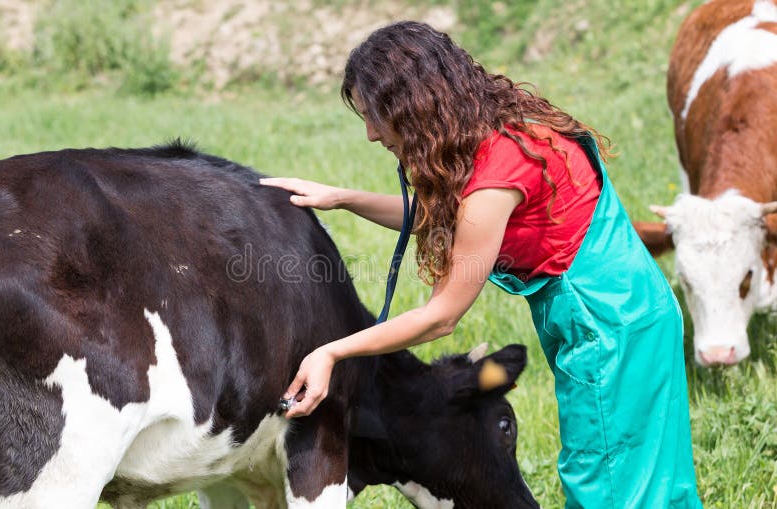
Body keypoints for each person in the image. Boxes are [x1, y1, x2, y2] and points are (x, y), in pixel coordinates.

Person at [260, 21, 703, 509]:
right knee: (653, 477)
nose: (369, 134)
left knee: (609, 480)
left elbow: (440, 316)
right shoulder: (505, 132)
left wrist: (331, 353)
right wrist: (341, 198)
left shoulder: (495, 176)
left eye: (375, 116)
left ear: (412, 105)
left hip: (607, 329)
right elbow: (447, 216)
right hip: (634, 311)